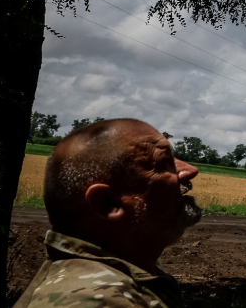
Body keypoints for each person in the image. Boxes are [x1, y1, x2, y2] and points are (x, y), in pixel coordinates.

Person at [13, 119, 201, 308]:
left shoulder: (128, 275)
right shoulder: (95, 301)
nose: (190, 170)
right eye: (162, 163)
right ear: (107, 203)